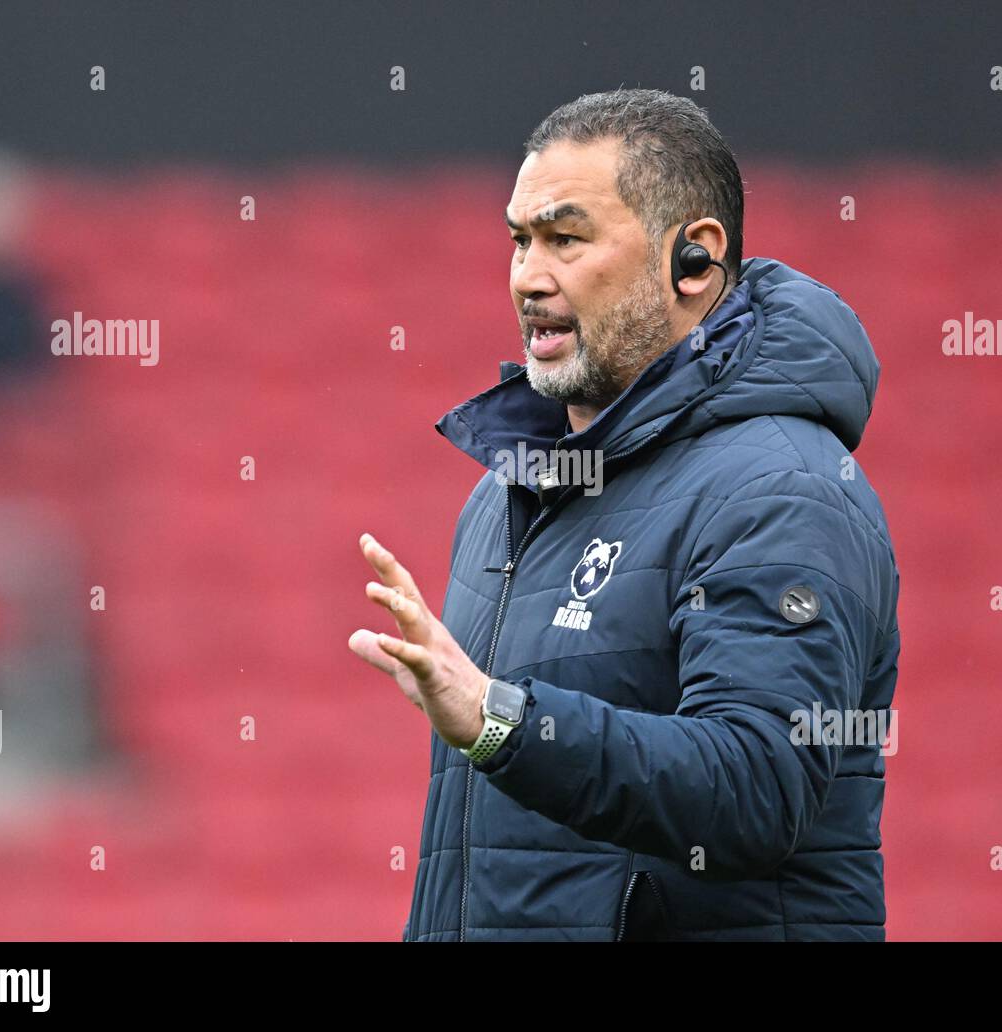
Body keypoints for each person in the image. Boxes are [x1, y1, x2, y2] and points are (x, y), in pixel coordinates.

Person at [348, 88, 900, 941]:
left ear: (694, 259)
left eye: (566, 239)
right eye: (519, 240)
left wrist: (503, 721)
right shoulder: (504, 494)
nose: (529, 276)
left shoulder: (782, 489)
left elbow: (757, 789)